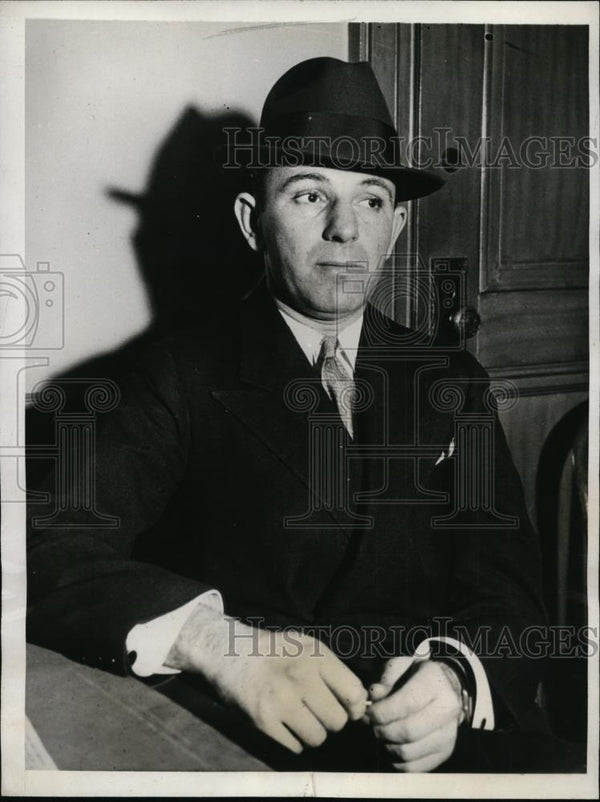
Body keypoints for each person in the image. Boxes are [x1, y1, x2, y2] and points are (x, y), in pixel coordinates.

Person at [27, 57, 561, 772]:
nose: (346, 229)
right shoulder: (176, 375)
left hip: (434, 744)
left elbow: (513, 592)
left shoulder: (452, 381)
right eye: (310, 195)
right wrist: (219, 648)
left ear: (398, 226)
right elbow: (43, 545)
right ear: (252, 222)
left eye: (371, 201)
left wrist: (459, 678)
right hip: (251, 742)